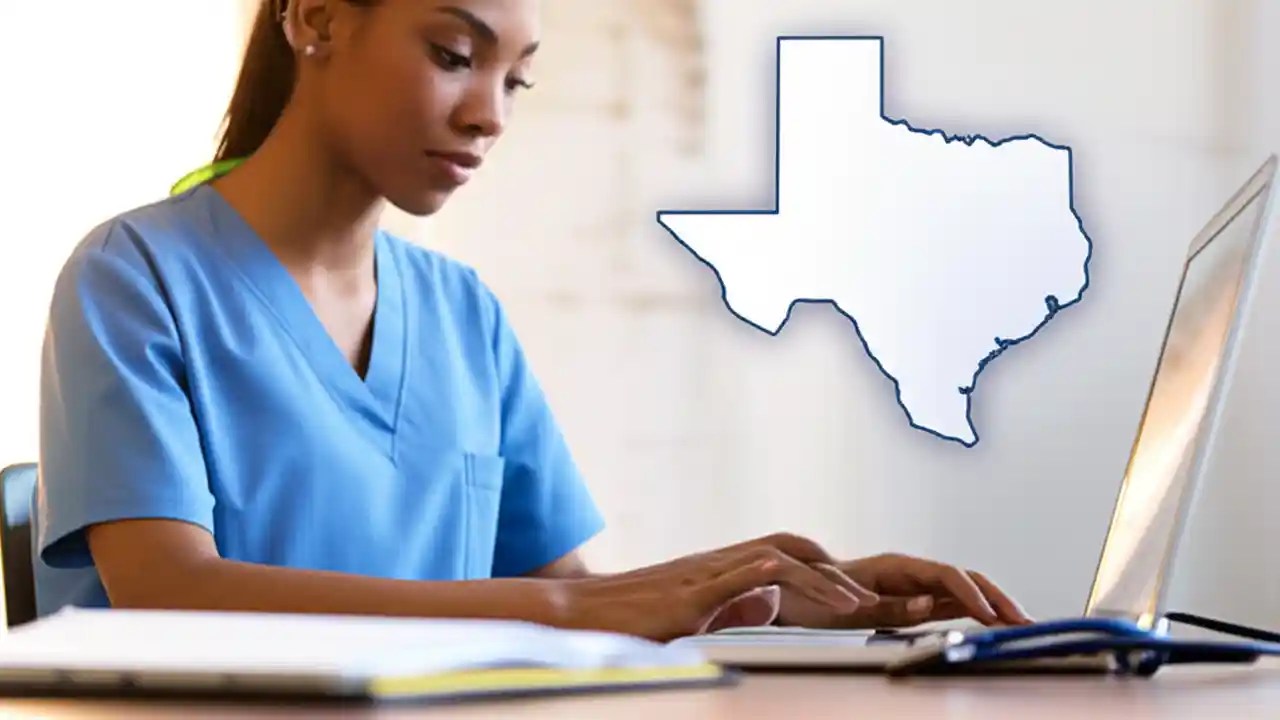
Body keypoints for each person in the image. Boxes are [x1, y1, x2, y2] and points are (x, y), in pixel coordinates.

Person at [34, 0, 1031, 642]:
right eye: (454, 54)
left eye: (514, 80)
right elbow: (171, 593)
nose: (489, 115)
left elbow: (566, 590)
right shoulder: (135, 277)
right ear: (316, 18)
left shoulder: (461, 313)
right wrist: (571, 606)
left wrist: (762, 589)